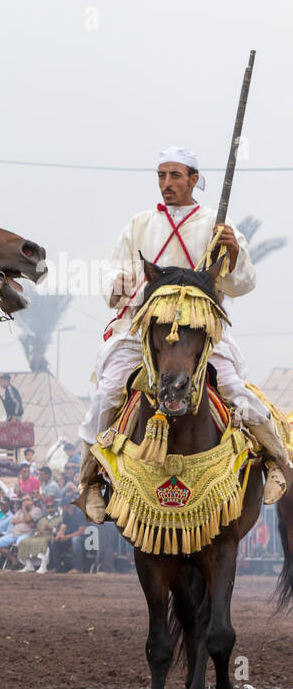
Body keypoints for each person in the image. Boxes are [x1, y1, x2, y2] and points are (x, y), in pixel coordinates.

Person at [78, 145, 291, 517]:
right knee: (108, 392)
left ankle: (275, 461)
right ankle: (91, 480)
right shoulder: (139, 223)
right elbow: (111, 280)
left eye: (175, 175)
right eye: (161, 175)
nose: (167, 183)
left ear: (194, 179)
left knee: (234, 389)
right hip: (145, 332)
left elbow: (243, 284)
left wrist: (233, 255)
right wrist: (132, 280)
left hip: (200, 333)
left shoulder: (216, 226)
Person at [0, 495, 41, 569]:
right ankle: (14, 560)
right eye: (23, 500)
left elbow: (29, 520)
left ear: (32, 502)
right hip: (14, 533)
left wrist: (24, 510)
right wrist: (26, 521)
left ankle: (29, 565)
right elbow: (13, 521)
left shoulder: (36, 510)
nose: (25, 502)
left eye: (27, 500)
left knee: (20, 543)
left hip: (28, 534)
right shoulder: (19, 511)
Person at [18, 496, 62, 572]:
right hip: (40, 536)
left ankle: (43, 566)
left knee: (43, 542)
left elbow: (61, 530)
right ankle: (29, 565)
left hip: (51, 536)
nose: (50, 509)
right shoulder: (42, 519)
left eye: (52, 507)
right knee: (24, 541)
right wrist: (38, 532)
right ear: (46, 509)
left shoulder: (60, 518)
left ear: (55, 507)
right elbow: (38, 529)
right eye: (48, 507)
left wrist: (51, 529)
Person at [50, 501, 89, 572]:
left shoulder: (79, 513)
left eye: (62, 506)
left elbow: (82, 531)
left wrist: (67, 537)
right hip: (70, 536)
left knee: (75, 540)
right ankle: (57, 567)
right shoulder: (66, 514)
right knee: (54, 541)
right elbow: (62, 528)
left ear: (67, 506)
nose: (61, 508)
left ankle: (77, 568)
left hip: (85, 538)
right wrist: (58, 536)